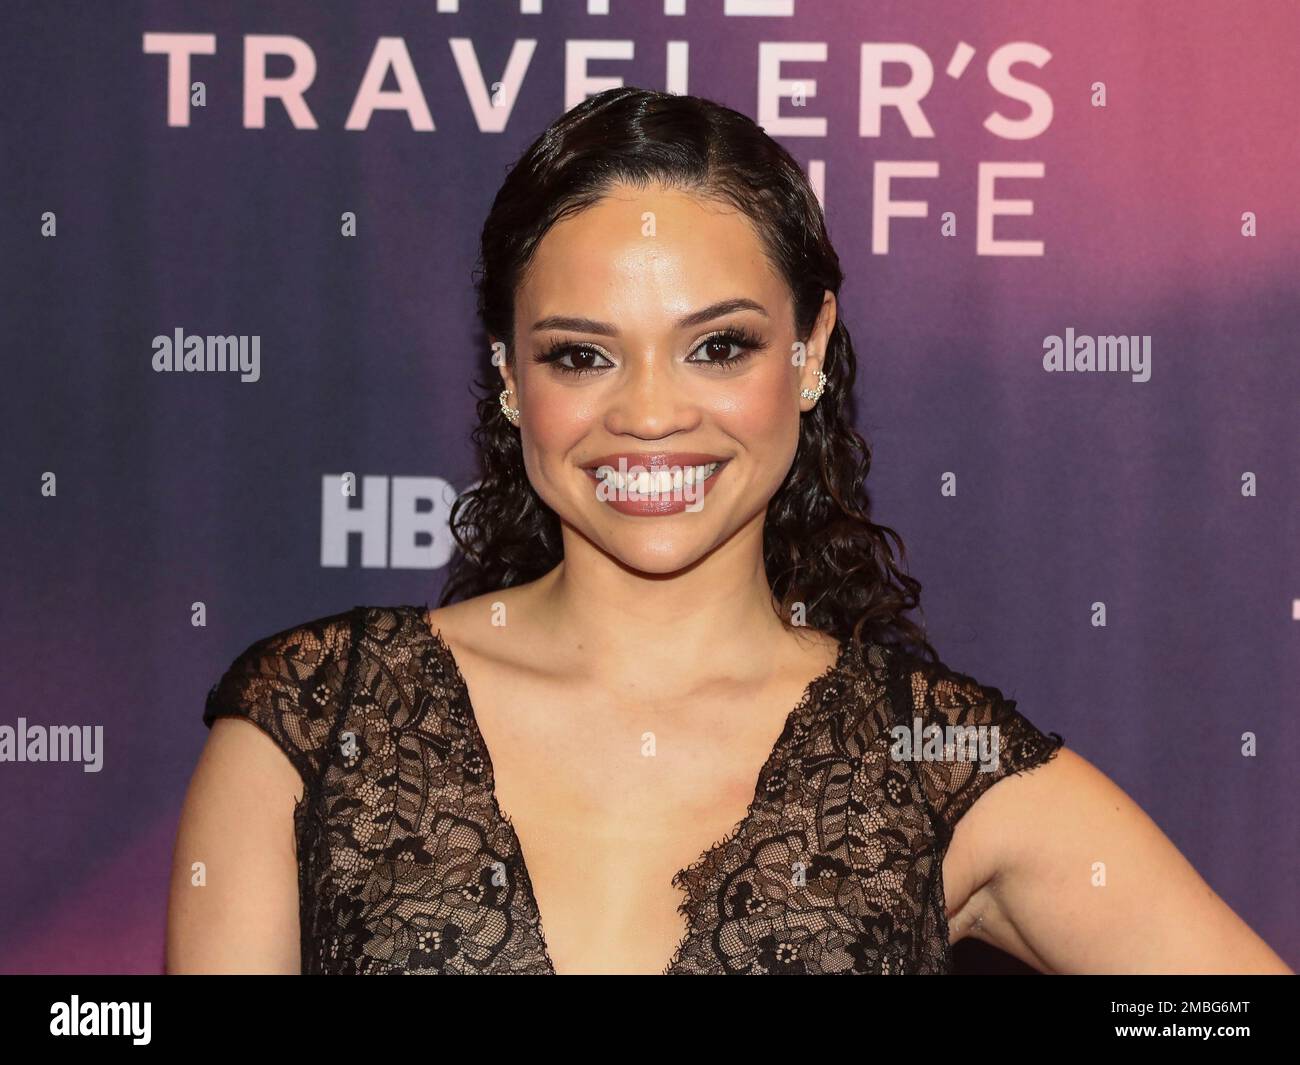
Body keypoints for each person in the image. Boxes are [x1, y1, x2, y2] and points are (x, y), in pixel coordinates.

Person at [166, 86, 1292, 975]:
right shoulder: (310, 726)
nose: (650, 412)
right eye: (580, 354)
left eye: (718, 346)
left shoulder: (934, 767)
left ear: (808, 354)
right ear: (509, 381)